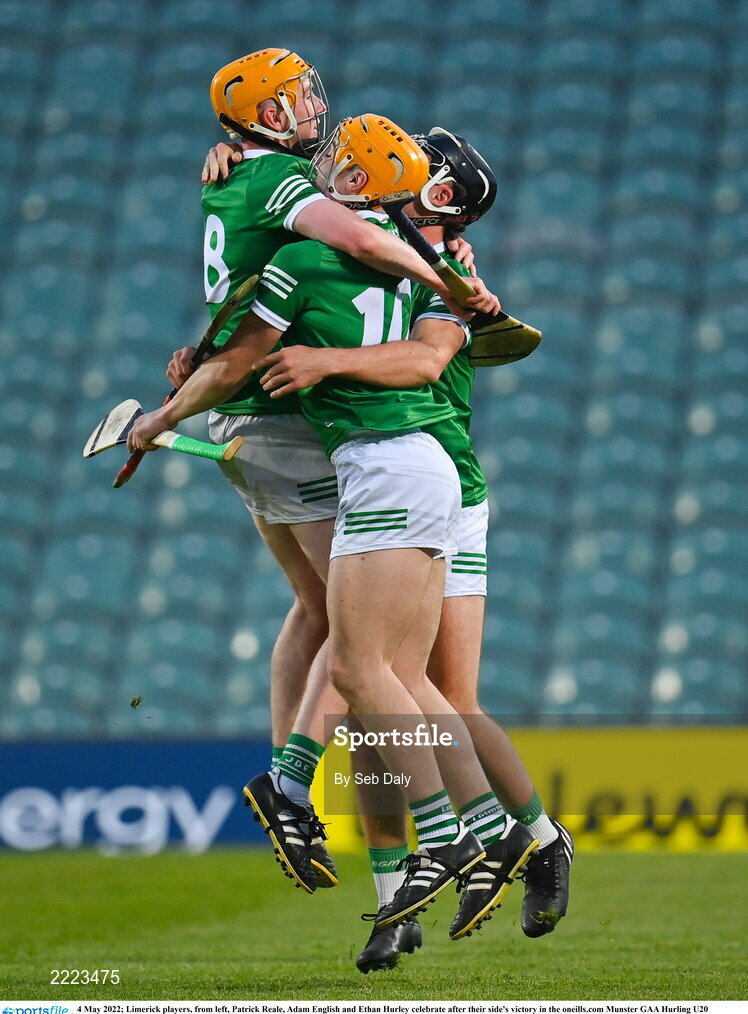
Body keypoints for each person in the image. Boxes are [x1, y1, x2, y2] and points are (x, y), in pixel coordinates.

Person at [128, 113, 535, 941]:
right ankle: (482, 843)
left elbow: (260, 354)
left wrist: (179, 402)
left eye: (343, 163)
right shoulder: (433, 268)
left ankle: (414, 826)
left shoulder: (340, 255)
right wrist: (241, 165)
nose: (326, 163)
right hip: (415, 470)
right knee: (395, 677)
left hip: (386, 464)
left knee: (368, 666)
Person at [254, 128, 573, 966]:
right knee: (380, 700)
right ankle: (401, 894)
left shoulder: (447, 273)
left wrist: (317, 359)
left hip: (447, 488)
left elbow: (425, 364)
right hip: (405, 477)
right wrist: (235, 157)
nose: (400, 175)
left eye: (422, 173)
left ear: (440, 197)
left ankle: (532, 840)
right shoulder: (386, 248)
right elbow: (320, 189)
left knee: (430, 697)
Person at [180, 49, 494, 888]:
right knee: (385, 675)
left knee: (336, 632)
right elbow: (347, 243)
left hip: (275, 426)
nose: (330, 126)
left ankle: (377, 859)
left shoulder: (432, 258)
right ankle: (474, 840)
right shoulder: (405, 256)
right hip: (338, 443)